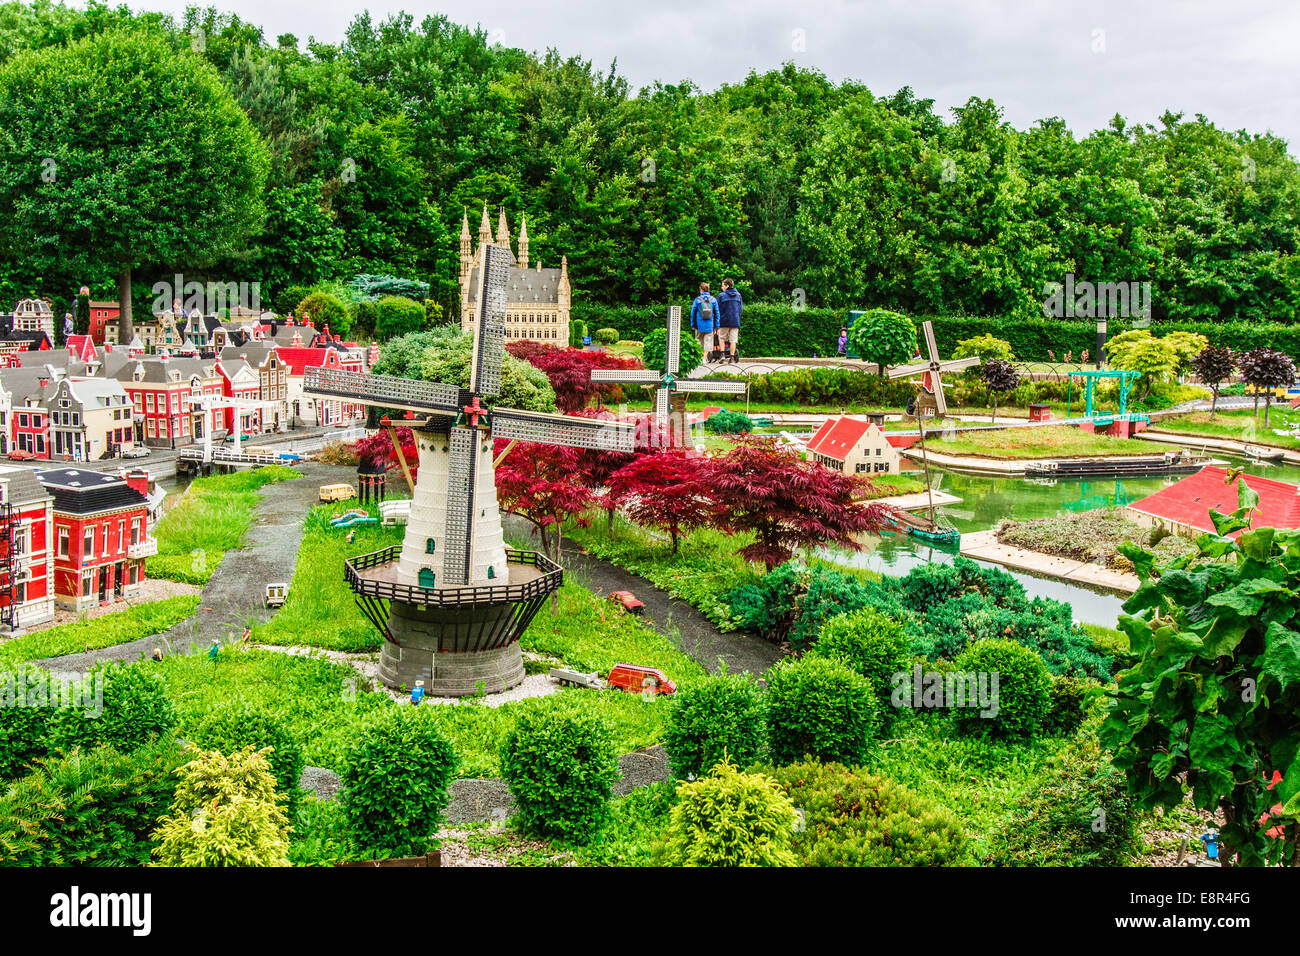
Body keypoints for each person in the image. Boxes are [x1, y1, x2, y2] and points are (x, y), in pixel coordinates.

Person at [689, 282, 720, 361]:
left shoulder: (697, 300)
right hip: (710, 325)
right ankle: (704, 358)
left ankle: (699, 358)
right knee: (708, 341)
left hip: (699, 325)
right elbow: (717, 313)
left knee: (699, 341)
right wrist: (717, 326)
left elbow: (693, 313)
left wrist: (693, 324)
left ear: (701, 290)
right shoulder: (713, 300)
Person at [716, 278, 743, 363]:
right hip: (735, 321)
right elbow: (740, 309)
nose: (722, 287)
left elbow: (718, 309)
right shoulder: (738, 295)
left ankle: (722, 355)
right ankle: (731, 357)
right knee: (733, 340)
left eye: (723, 285)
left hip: (724, 321)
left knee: (721, 338)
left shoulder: (721, 295)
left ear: (727, 286)